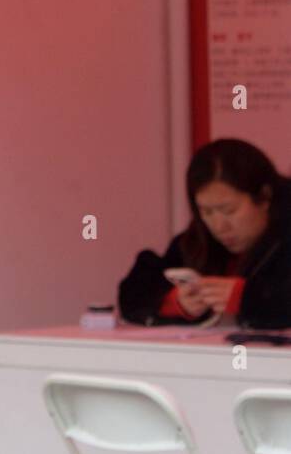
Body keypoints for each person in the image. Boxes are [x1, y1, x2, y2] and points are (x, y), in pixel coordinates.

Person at [119, 139, 291, 328]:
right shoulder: (199, 237)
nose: (219, 226)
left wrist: (247, 298)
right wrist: (173, 302)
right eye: (206, 212)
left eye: (229, 210)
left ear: (264, 197)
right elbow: (134, 293)